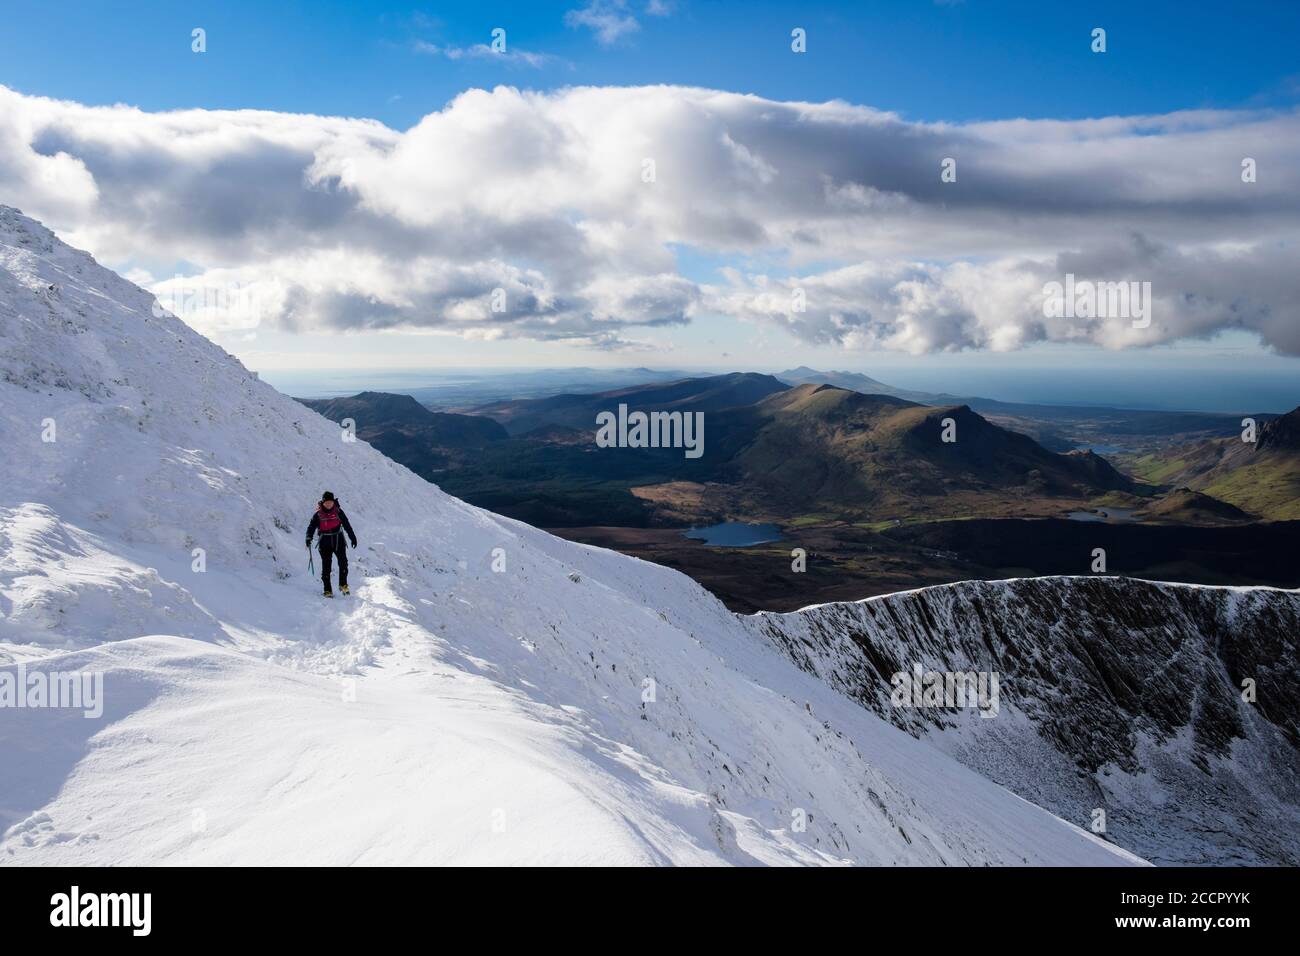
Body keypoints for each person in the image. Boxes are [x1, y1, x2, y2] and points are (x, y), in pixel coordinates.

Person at [305, 491, 357, 597]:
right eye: (326, 502)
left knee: (343, 563)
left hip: (339, 540)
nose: (329, 504)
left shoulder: (338, 512)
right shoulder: (318, 514)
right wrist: (308, 537)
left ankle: (343, 585)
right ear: (323, 503)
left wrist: (353, 537)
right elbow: (311, 527)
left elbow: (346, 525)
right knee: (326, 566)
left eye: (330, 502)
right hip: (324, 542)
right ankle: (327, 590)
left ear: (333, 502)